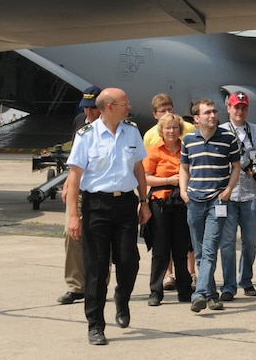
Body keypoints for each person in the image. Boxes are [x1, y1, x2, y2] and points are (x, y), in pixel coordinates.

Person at [62, 88, 150, 346]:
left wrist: (143, 202)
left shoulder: (132, 131)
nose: (129, 106)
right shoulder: (86, 136)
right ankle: (96, 325)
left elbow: (139, 168)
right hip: (96, 206)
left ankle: (122, 298)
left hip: (126, 204)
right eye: (125, 102)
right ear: (109, 107)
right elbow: (75, 177)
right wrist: (73, 216)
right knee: (97, 268)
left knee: (129, 261)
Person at [179, 98, 241, 314]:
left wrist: (228, 190)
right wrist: (183, 192)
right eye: (207, 113)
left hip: (218, 201)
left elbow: (236, 167)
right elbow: (184, 168)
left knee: (210, 248)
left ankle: (199, 294)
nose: (213, 116)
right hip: (194, 200)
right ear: (197, 118)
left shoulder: (228, 138)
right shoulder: (188, 140)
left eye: (214, 111)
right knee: (199, 251)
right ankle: (212, 295)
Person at [218, 92, 256, 300]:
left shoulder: (255, 130)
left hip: (250, 193)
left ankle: (246, 279)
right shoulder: (220, 131)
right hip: (228, 194)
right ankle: (229, 286)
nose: (239, 111)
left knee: (250, 241)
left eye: (243, 108)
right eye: (236, 107)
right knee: (227, 242)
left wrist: (255, 167)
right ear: (228, 108)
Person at [142, 93, 195, 291]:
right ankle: (156, 290)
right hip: (161, 202)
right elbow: (145, 177)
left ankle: (184, 288)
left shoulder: (187, 149)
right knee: (161, 249)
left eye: (174, 128)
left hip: (182, 201)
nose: (171, 131)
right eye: (167, 128)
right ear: (161, 131)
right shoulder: (154, 150)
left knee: (182, 246)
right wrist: (168, 180)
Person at [57, 85, 102, 306]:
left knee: (99, 240)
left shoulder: (113, 127)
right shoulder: (78, 123)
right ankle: (76, 286)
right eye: (86, 108)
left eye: (93, 108)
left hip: (101, 191)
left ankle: (97, 283)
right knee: (71, 234)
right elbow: (75, 162)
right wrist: (67, 183)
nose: (89, 113)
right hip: (80, 188)